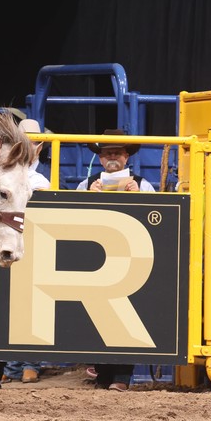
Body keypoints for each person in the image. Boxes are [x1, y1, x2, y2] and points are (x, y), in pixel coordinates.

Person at [77, 130, 154, 392]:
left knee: (129, 318)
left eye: (117, 153)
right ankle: (102, 375)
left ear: (126, 157)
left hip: (133, 260)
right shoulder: (85, 184)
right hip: (95, 259)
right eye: (108, 153)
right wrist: (89, 195)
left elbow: (156, 222)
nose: (112, 157)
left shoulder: (143, 185)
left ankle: (121, 377)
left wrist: (140, 199)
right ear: (100, 158)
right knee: (96, 317)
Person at [2, 119, 50, 384]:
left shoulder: (40, 179)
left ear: (40, 146)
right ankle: (11, 366)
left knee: (33, 302)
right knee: (10, 301)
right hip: (10, 240)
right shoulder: (5, 172)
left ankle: (30, 363)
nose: (28, 146)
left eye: (33, 141)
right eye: (23, 140)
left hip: (36, 243)